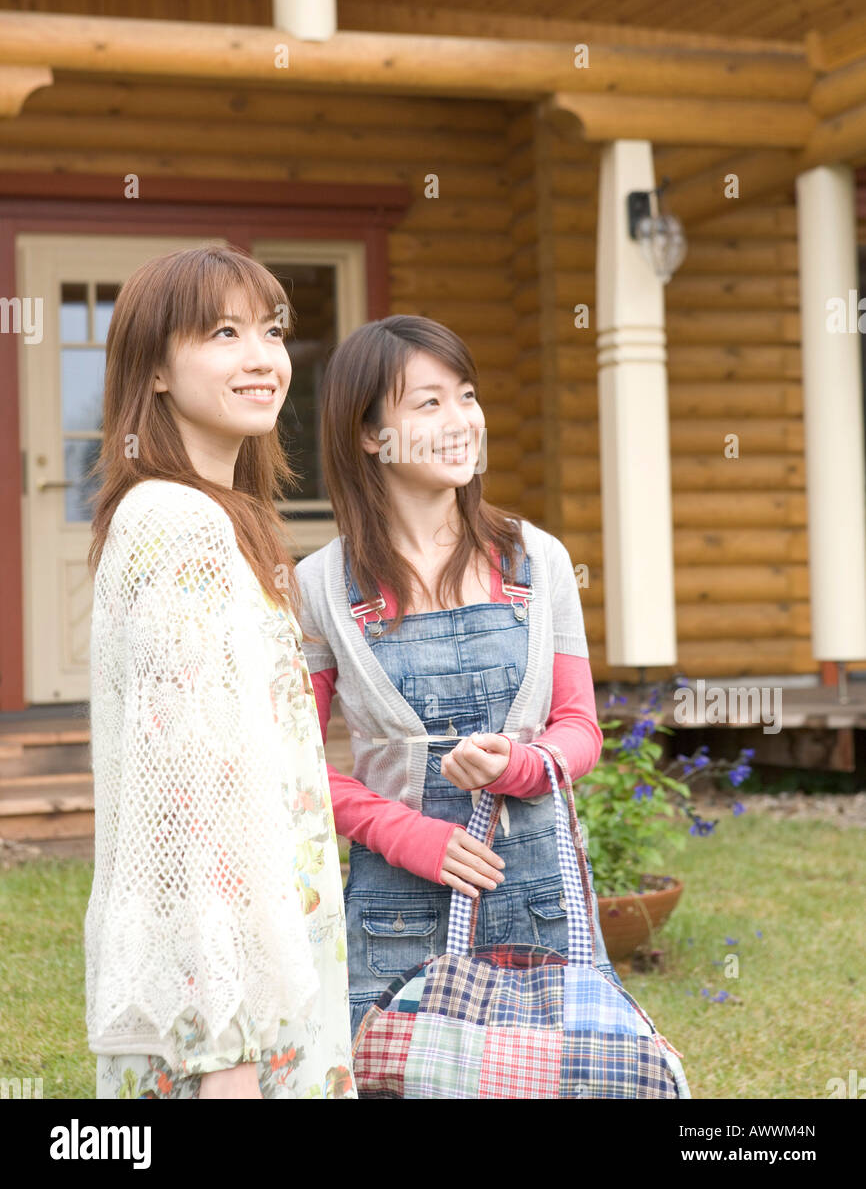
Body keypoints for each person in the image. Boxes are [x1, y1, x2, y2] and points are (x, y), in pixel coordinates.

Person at [295, 314, 624, 1042]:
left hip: (541, 896)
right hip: (398, 909)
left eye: (467, 396)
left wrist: (526, 764)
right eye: (429, 402)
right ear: (369, 434)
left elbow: (580, 728)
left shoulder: (537, 560)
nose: (462, 420)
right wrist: (409, 834)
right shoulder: (318, 588)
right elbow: (298, 768)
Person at [84, 242, 356, 1100]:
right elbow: (187, 799)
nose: (261, 357)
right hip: (233, 1011)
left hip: (258, 970)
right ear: (155, 372)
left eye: (271, 331)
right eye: (222, 333)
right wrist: (223, 1051)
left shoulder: (218, 517)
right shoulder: (180, 526)